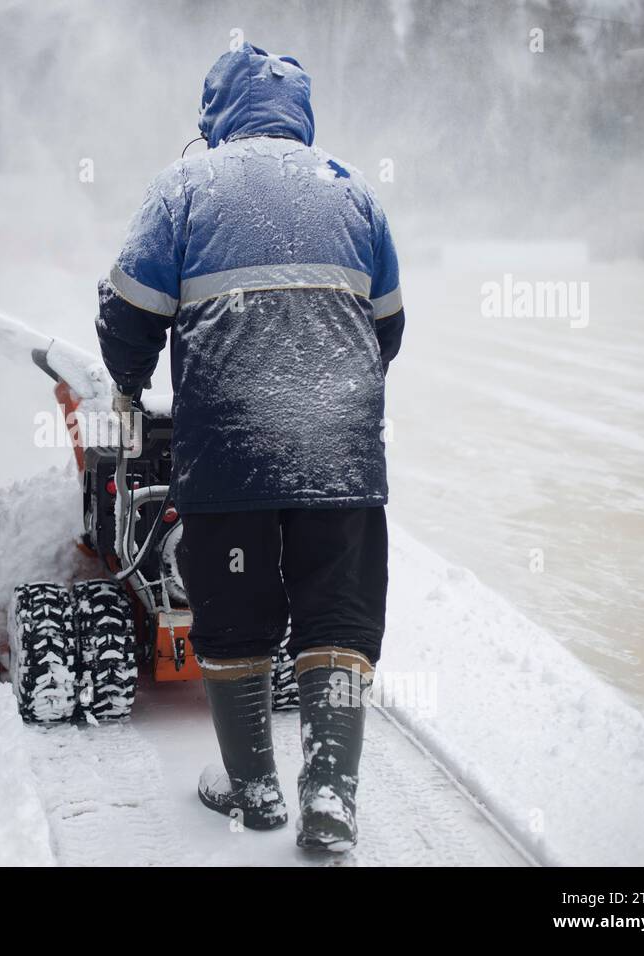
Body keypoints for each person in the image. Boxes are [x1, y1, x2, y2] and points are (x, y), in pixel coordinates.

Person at [95, 43, 404, 851]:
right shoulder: (353, 190)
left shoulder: (185, 188)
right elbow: (390, 329)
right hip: (341, 452)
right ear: (299, 115)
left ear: (216, 116)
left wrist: (128, 385)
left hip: (230, 447)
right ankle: (331, 795)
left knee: (232, 611)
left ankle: (252, 786)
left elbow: (128, 312)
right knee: (338, 613)